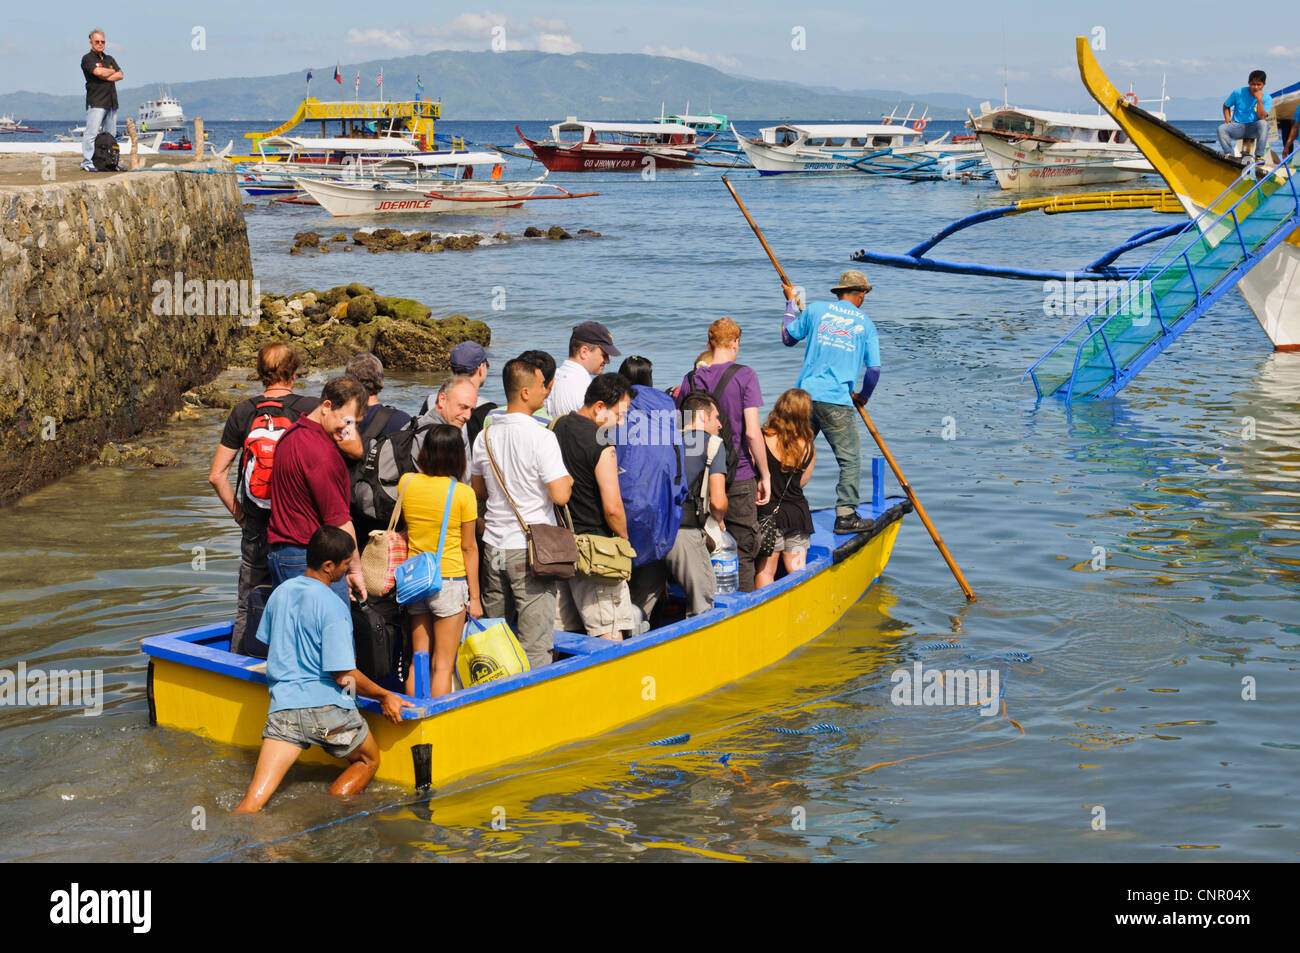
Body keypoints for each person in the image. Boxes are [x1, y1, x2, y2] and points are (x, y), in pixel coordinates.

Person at [234, 526, 413, 813]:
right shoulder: (333, 605)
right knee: (368, 761)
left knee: (252, 802)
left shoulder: (280, 593)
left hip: (284, 710)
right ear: (329, 566)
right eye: (345, 564)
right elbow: (343, 675)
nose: (347, 570)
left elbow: (268, 644)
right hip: (327, 712)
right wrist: (384, 696)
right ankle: (326, 814)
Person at [208, 343, 320, 650]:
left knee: (249, 603)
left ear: (260, 374)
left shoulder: (244, 410)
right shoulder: (312, 408)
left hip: (256, 526)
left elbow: (216, 475)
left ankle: (238, 669)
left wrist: (241, 516)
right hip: (299, 527)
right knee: (304, 604)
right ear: (294, 373)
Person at [471, 359, 573, 668]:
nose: (546, 391)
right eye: (542, 385)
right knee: (535, 642)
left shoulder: (484, 437)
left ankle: (496, 697)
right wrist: (567, 479)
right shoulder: (543, 437)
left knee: (495, 637)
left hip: (493, 546)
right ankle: (533, 706)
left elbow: (480, 491)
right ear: (526, 392)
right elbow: (560, 495)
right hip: (529, 550)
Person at [674, 317, 771, 591]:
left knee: (701, 545)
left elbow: (683, 430)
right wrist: (764, 475)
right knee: (741, 548)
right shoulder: (745, 375)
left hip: (697, 477)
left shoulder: (690, 378)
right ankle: (743, 610)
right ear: (736, 343)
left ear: (709, 343)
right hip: (738, 475)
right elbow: (752, 432)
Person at [781, 270, 881, 535]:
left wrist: (791, 303)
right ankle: (846, 515)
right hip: (837, 400)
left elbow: (788, 338)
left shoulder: (815, 311)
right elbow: (874, 370)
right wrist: (864, 396)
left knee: (794, 454)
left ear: (839, 293)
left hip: (804, 398)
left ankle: (777, 505)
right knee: (850, 460)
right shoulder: (866, 324)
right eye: (865, 294)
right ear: (860, 294)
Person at [267, 376, 370, 606]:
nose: (349, 431)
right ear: (326, 407)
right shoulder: (322, 455)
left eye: (355, 424)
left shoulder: (290, 434)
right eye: (346, 420)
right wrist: (355, 570)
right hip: (310, 560)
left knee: (293, 634)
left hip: (280, 554)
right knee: (333, 633)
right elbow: (340, 523)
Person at [552, 373, 637, 640]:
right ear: (599, 406)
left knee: (562, 635)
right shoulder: (602, 443)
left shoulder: (557, 427)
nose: (620, 422)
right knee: (608, 634)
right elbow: (612, 506)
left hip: (560, 545)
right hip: (597, 552)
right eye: (619, 414)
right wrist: (623, 540)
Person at [397, 425, 480, 698]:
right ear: (458, 456)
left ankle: (412, 715)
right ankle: (435, 725)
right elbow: (469, 548)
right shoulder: (462, 494)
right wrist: (476, 599)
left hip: (415, 580)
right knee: (442, 665)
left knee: (417, 660)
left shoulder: (406, 483)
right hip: (449, 581)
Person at [638, 392, 725, 618]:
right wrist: (720, 518)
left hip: (652, 530)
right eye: (716, 417)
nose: (720, 423)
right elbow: (717, 500)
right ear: (702, 417)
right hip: (683, 531)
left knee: (639, 603)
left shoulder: (663, 439)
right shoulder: (713, 444)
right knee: (702, 602)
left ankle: (631, 645)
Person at [344, 353, 412, 540]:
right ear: (381, 384)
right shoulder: (401, 420)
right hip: (385, 513)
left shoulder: (341, 419)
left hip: (346, 510)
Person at [754, 389, 817, 588]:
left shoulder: (763, 438)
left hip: (768, 514)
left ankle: (763, 613)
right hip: (797, 514)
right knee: (797, 569)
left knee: (766, 570)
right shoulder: (808, 446)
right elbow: (802, 482)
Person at [544, 321, 619, 418]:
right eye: (604, 355)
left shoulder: (550, 379)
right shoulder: (586, 390)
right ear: (584, 352)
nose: (607, 361)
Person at [415, 375, 478, 480]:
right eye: (463, 407)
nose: (468, 416)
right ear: (442, 400)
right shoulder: (436, 439)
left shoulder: (415, 425)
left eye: (472, 410)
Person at [80, 29, 122, 172]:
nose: (100, 44)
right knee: (91, 134)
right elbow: (97, 72)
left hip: (111, 102)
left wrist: (105, 74)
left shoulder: (109, 58)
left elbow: (120, 75)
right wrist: (108, 72)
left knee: (111, 136)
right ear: (91, 42)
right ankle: (87, 161)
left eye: (102, 41)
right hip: (97, 101)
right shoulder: (87, 59)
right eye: (97, 41)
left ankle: (110, 163)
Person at [1218, 70, 1272, 163]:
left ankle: (1258, 156)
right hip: (1238, 127)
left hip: (1253, 129)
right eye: (1253, 84)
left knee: (1263, 124)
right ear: (1249, 83)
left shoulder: (1267, 98)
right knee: (1221, 128)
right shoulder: (1238, 92)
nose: (1255, 87)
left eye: (1258, 84)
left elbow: (1261, 117)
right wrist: (1227, 119)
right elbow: (1226, 106)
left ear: (1264, 84)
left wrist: (1259, 100)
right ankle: (1230, 155)